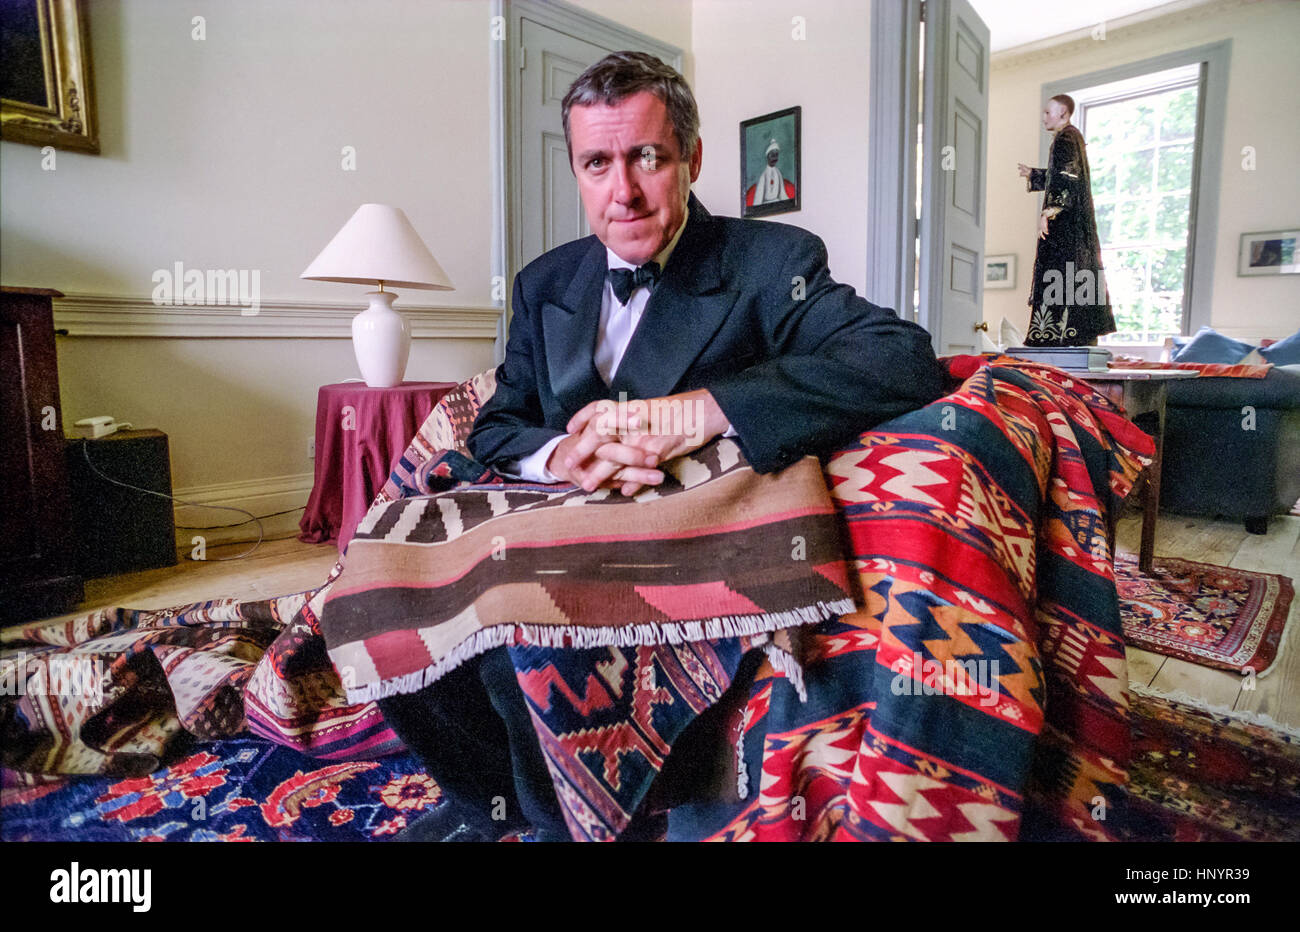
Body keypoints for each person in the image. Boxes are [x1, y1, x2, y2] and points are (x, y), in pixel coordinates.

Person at [379, 51, 945, 841]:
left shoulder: (770, 263)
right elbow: (500, 423)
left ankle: (580, 823)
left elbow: (900, 357)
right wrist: (558, 456)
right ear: (577, 170)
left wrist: (703, 410)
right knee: (382, 599)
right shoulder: (544, 282)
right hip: (550, 514)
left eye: (647, 156)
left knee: (514, 632)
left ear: (691, 159)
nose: (625, 191)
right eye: (598, 163)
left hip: (682, 543)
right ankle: (489, 798)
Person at [1017, 94, 1115, 346]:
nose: (1044, 117)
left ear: (1063, 113)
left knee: (1060, 272)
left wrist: (1049, 211)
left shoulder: (1066, 137)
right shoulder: (1071, 137)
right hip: (1074, 226)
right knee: (1071, 274)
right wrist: (1036, 175)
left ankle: (1057, 337)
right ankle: (1069, 335)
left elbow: (1066, 175)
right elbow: (1064, 173)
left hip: (1066, 227)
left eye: (1048, 112)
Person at [745, 138, 796, 206]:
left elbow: (782, 194)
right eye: (772, 155)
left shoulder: (778, 173)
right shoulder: (764, 176)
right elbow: (758, 200)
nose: (774, 158)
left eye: (776, 155)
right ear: (767, 156)